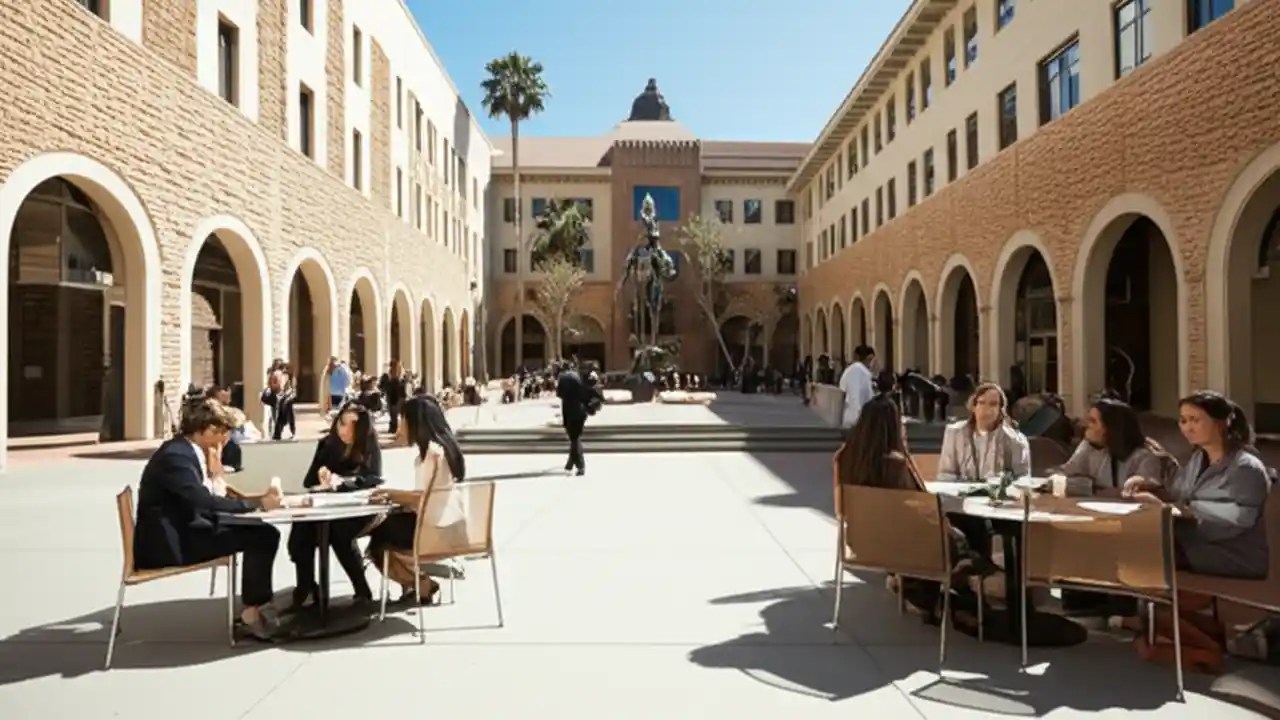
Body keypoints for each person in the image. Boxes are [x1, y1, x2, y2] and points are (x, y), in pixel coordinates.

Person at [835, 393, 989, 629]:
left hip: (861, 541)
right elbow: (918, 511)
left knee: (953, 533)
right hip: (902, 544)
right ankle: (969, 599)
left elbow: (840, 509)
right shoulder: (895, 463)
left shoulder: (843, 457)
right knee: (969, 530)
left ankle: (929, 593)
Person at [133, 399, 283, 641]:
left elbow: (205, 498)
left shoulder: (184, 450)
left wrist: (219, 477)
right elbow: (203, 502)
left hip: (187, 526)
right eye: (223, 434)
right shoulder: (176, 458)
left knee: (261, 531)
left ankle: (256, 606)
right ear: (208, 430)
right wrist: (254, 504)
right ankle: (253, 613)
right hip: (173, 542)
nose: (225, 440)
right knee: (263, 536)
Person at [1125, 391, 1272, 579]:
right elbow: (1180, 493)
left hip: (1231, 552)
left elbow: (1239, 517)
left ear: (1220, 423)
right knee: (1128, 538)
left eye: (1194, 420)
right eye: (1183, 421)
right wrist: (1151, 486)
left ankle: (1131, 604)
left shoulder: (1246, 468)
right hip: (1193, 540)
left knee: (1143, 549)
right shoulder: (1198, 458)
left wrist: (1172, 510)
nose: (1187, 428)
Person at [368, 396, 468, 605]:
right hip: (443, 523)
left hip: (434, 529)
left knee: (379, 539)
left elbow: (424, 498)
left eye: (404, 418)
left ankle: (420, 584)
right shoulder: (435, 451)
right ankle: (418, 585)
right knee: (384, 534)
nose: (400, 423)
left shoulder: (434, 453)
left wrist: (390, 494)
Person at [288, 403, 385, 609]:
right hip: (326, 507)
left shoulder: (368, 446)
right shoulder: (328, 444)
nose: (345, 430)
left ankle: (361, 589)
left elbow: (373, 478)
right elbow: (309, 481)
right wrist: (322, 475)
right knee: (301, 528)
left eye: (352, 426)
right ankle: (306, 587)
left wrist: (343, 481)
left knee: (339, 533)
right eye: (342, 423)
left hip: (359, 509)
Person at [1050, 396, 1175, 497]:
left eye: (1093, 421)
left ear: (1111, 428)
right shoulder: (1088, 447)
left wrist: (1088, 488)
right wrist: (1088, 487)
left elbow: (1139, 494)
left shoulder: (1144, 456)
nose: (1086, 425)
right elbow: (1062, 476)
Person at [937, 383, 1031, 482]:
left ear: (1001, 409)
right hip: (961, 495)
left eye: (993, 404)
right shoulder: (954, 433)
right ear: (973, 406)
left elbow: (1023, 478)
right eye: (982, 403)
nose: (987, 410)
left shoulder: (1015, 440)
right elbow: (945, 475)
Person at [556, 365, 600, 476]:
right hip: (581, 410)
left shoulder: (563, 379)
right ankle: (571, 463)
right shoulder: (579, 378)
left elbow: (559, 394)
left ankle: (580, 466)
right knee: (575, 438)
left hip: (568, 410)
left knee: (574, 438)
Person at [838, 345, 877, 428]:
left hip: (853, 418)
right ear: (869, 358)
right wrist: (858, 420)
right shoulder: (859, 371)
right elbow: (855, 396)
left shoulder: (852, 370)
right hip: (857, 421)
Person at [379, 360, 409, 435]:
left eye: (399, 367)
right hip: (391, 396)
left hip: (400, 397)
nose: (397, 369)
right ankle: (393, 427)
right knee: (393, 413)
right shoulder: (386, 376)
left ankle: (400, 428)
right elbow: (382, 386)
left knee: (399, 413)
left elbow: (405, 387)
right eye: (395, 367)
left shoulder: (403, 377)